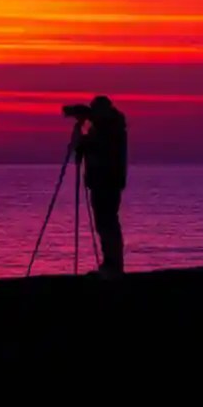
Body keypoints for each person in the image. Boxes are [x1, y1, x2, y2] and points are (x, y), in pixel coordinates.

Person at [74, 95, 128, 277]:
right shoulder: (106, 128)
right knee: (105, 223)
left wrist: (82, 139)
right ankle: (111, 263)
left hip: (107, 181)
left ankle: (113, 265)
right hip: (103, 181)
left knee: (107, 222)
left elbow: (98, 147)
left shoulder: (109, 129)